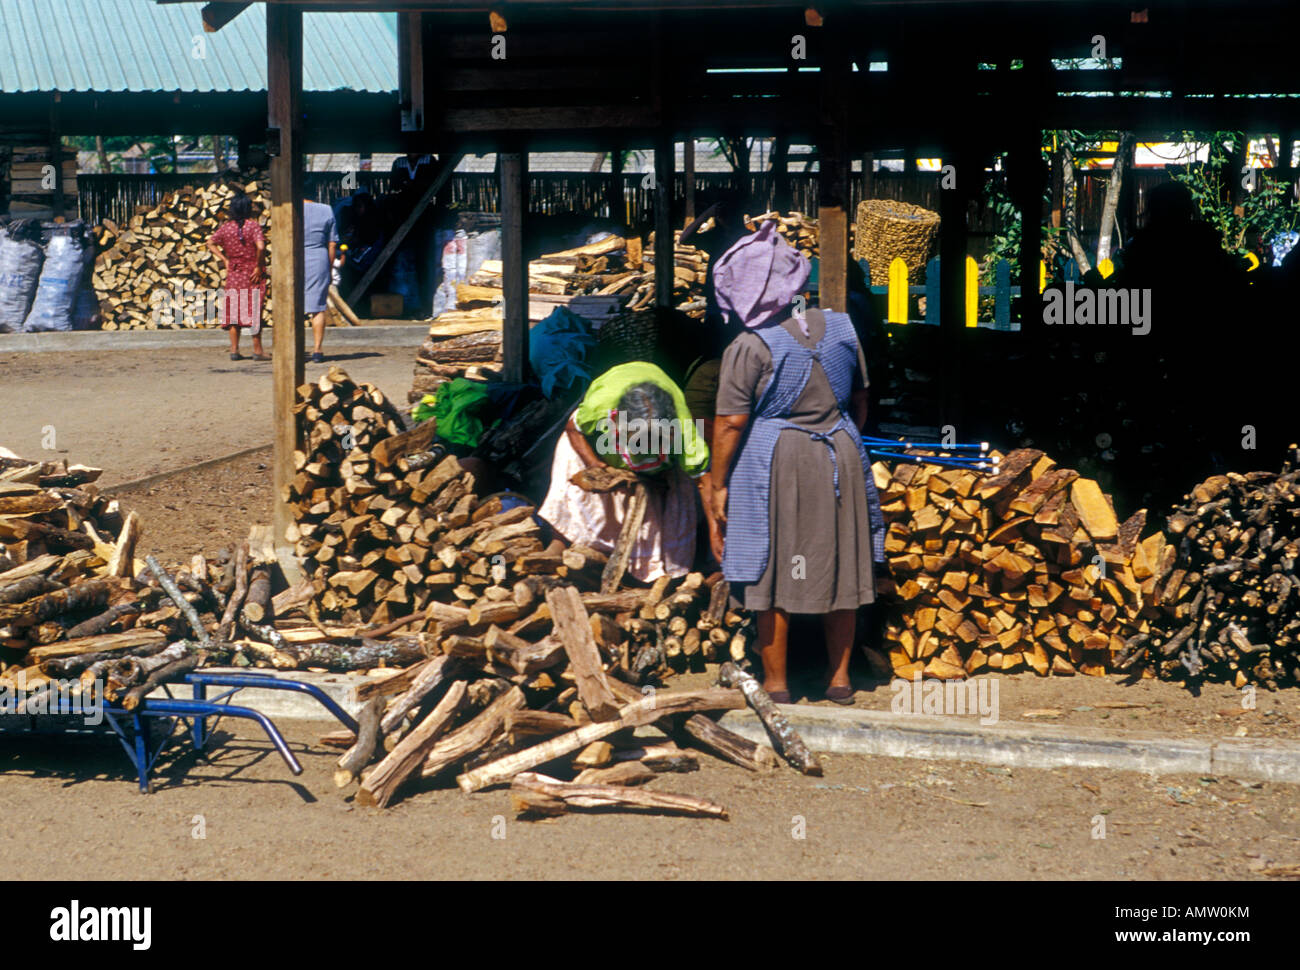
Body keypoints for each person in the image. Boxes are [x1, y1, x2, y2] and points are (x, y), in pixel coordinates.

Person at [710, 220, 884, 705]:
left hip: (778, 462)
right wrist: (839, 436)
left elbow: (729, 424)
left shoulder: (750, 346)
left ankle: (777, 684)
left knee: (776, 569)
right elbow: (860, 401)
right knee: (843, 565)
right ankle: (840, 680)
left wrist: (717, 482)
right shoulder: (844, 327)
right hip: (840, 454)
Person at [538, 361, 710, 583]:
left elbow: (704, 479)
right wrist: (594, 464)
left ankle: (656, 563)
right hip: (601, 445)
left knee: (678, 483)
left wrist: (715, 530)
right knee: (570, 455)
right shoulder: (600, 409)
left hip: (662, 462)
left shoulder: (683, 429)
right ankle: (560, 539)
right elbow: (573, 428)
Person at [206, 193, 267, 361]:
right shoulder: (253, 226)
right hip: (252, 273)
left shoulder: (226, 227)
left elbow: (210, 243)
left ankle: (234, 350)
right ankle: (257, 350)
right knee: (254, 310)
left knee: (234, 311)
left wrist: (225, 259)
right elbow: (261, 247)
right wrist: (258, 266)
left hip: (234, 272)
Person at [303, 198, 339, 363]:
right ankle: (317, 349)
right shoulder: (326, 209)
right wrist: (330, 268)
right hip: (319, 257)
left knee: (294, 305)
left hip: (294, 256)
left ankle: (296, 347)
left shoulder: (291, 208)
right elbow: (332, 245)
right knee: (318, 306)